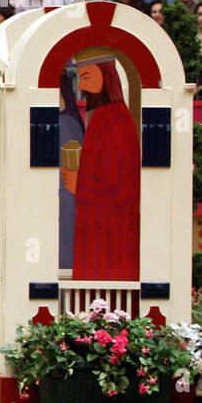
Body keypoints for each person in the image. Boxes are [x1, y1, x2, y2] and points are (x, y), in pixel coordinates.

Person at [61, 53, 140, 280]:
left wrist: (80, 185)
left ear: (106, 77)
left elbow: (119, 183)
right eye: (80, 78)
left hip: (111, 224)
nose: (82, 86)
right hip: (96, 218)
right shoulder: (102, 117)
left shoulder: (116, 120)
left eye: (86, 77)